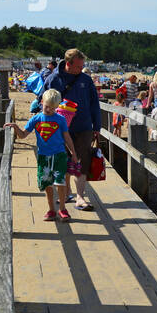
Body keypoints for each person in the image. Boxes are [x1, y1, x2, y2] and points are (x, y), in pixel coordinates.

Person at [45, 48, 102, 211]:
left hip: (84, 127)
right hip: (60, 128)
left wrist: (96, 127)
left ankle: (80, 197)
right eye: (78, 66)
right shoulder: (53, 79)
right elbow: (45, 102)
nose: (81, 69)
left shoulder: (86, 79)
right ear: (68, 64)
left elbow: (94, 104)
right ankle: (67, 191)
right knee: (62, 160)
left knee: (82, 161)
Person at [12, 88, 78, 222]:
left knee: (60, 182)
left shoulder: (60, 119)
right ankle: (51, 209)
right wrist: (15, 127)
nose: (49, 110)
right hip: (43, 156)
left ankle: (63, 209)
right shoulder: (36, 119)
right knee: (47, 184)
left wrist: (73, 153)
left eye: (53, 108)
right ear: (42, 102)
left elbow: (67, 137)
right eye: (47, 107)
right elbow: (23, 135)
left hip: (59, 155)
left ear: (57, 107)